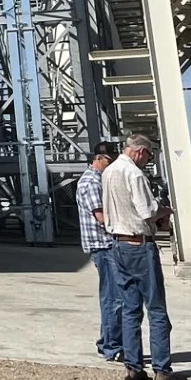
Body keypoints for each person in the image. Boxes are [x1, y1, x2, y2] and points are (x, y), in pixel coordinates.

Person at [101, 135, 180, 380]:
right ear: (140, 152)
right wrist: (164, 210)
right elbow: (147, 211)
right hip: (139, 244)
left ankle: (133, 367)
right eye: (148, 156)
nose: (148, 162)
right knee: (156, 309)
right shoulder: (134, 174)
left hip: (117, 244)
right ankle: (162, 371)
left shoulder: (109, 171)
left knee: (130, 308)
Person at [75, 150, 121, 362]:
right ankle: (112, 345)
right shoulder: (92, 182)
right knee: (114, 297)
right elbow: (101, 217)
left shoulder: (97, 179)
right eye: (109, 161)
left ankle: (108, 342)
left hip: (104, 244)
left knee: (112, 295)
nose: (111, 165)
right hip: (103, 244)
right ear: (98, 158)